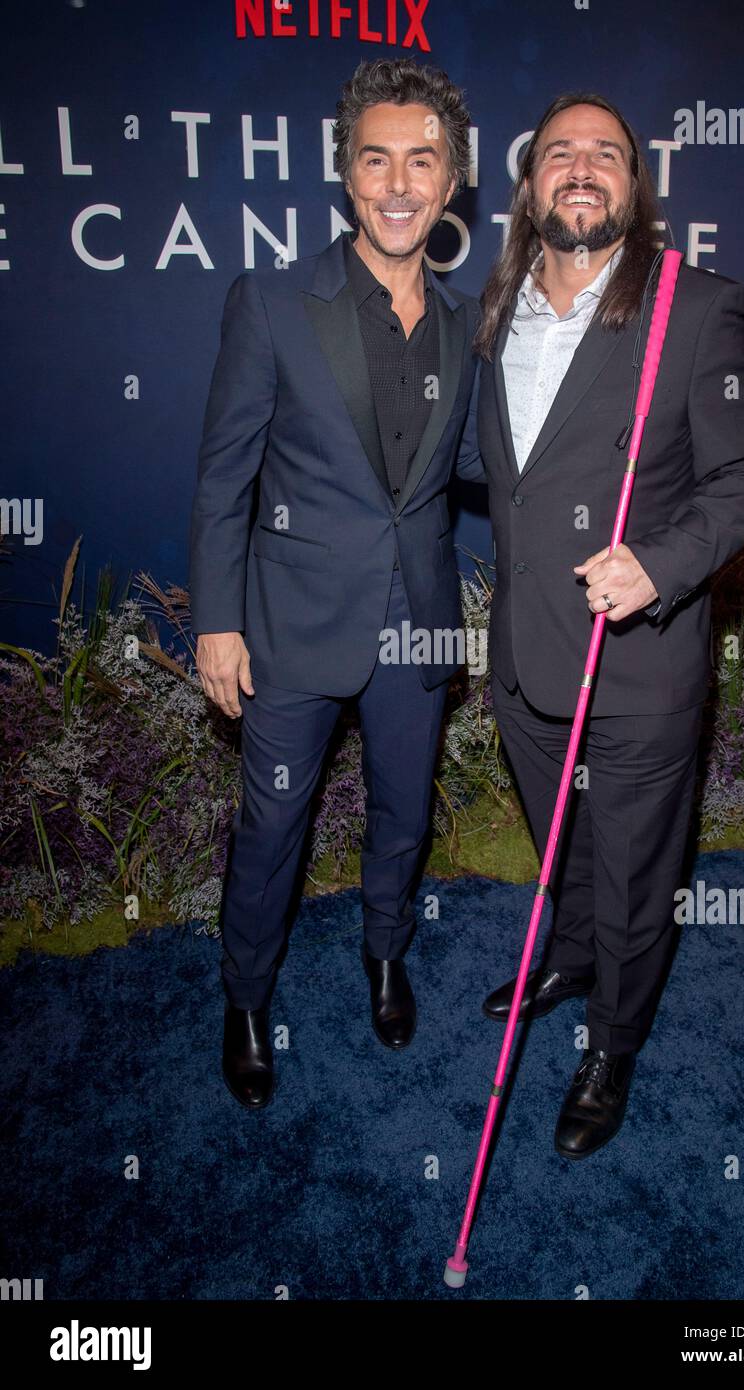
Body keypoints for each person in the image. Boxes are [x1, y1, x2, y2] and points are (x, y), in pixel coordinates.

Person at [458, 91, 744, 1158]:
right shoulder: (492, 314)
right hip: (526, 660)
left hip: (635, 660)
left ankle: (611, 1042)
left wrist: (661, 564)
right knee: (572, 842)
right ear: (528, 184)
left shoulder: (695, 307)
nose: (582, 167)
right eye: (559, 153)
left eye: (606, 153)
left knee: (639, 870)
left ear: (633, 188)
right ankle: (573, 956)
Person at [187, 59, 484, 1108]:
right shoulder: (271, 301)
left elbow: (487, 468)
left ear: (451, 183)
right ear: (345, 176)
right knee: (272, 826)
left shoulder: (463, 325)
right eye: (376, 159)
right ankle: (244, 998)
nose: (398, 184)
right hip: (290, 625)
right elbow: (224, 472)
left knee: (403, 813)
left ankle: (385, 953)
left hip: (421, 624)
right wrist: (217, 622)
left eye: (422, 160)